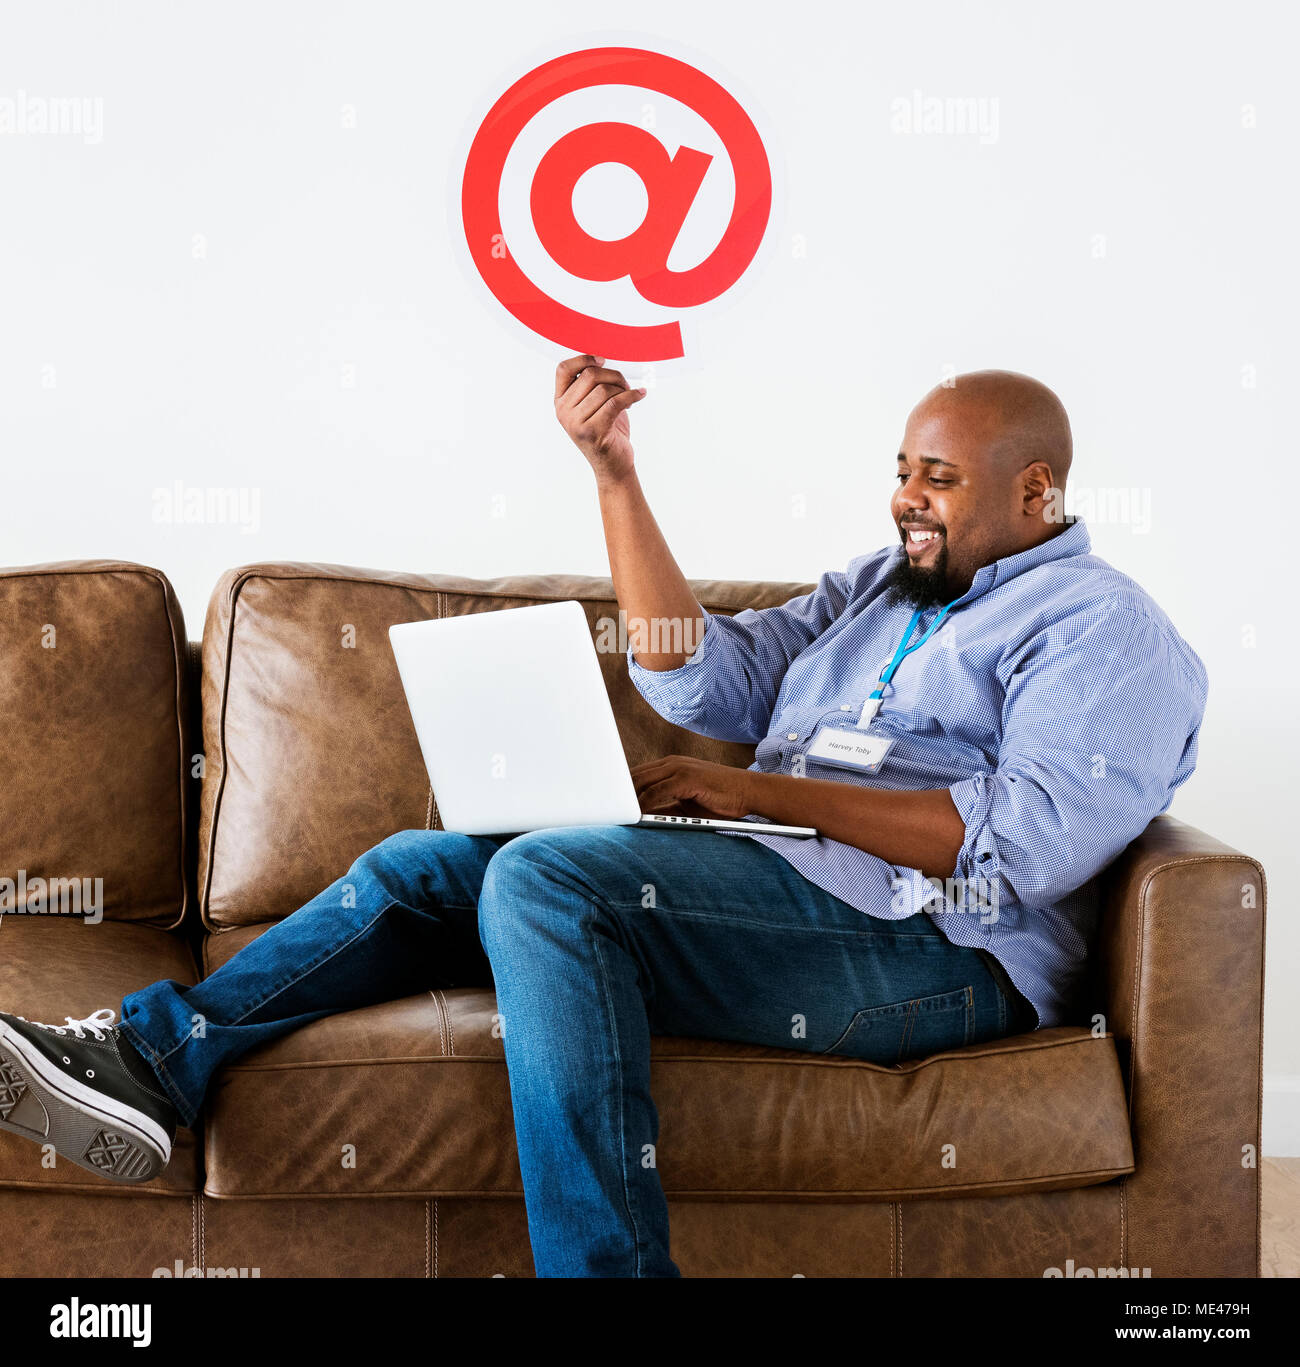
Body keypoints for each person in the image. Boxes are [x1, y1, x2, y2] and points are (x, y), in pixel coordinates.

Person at [0, 357, 1207, 1277]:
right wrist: (616, 476)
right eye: (900, 470)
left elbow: (1025, 840)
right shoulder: (877, 589)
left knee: (544, 879)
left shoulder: (1104, 631)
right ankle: (151, 1062)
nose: (906, 500)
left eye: (936, 478)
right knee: (430, 865)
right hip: (782, 885)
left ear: (1036, 487)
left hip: (935, 946)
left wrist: (754, 791)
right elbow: (701, 677)